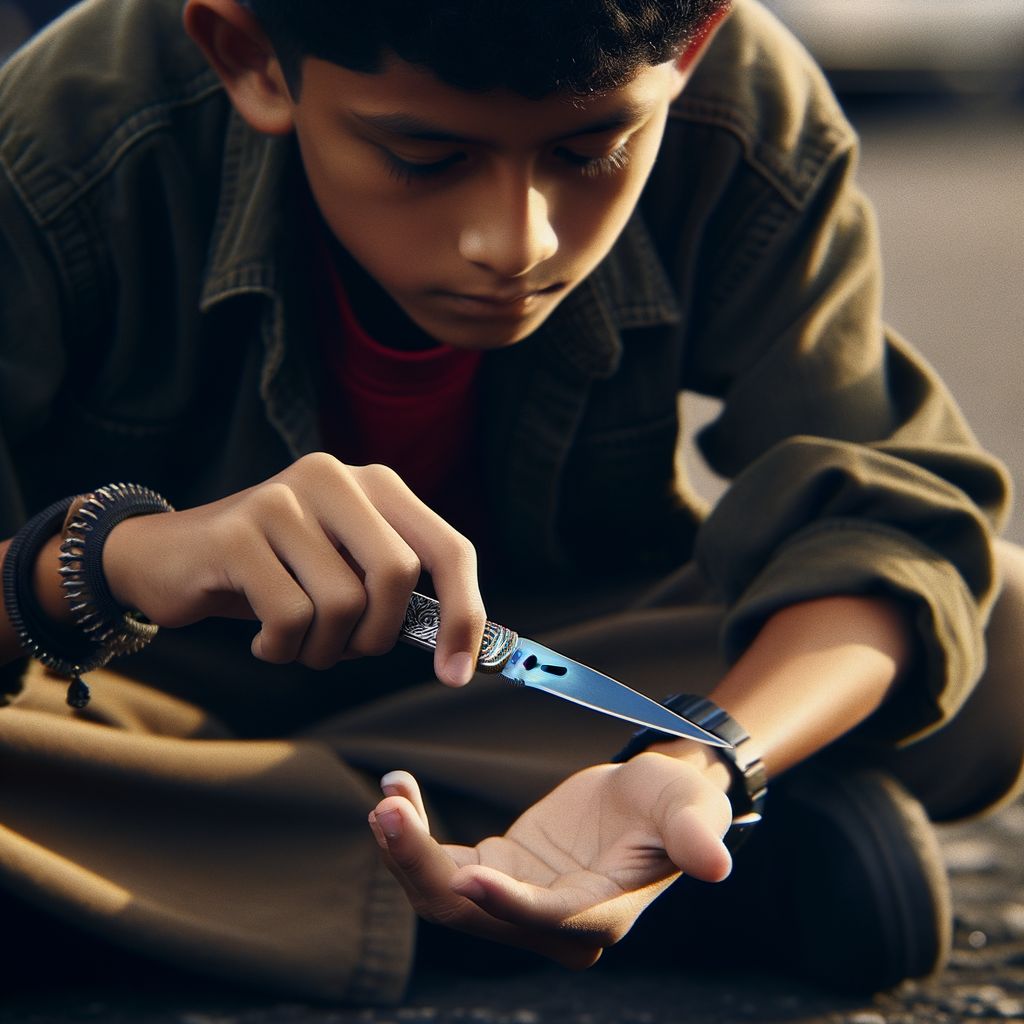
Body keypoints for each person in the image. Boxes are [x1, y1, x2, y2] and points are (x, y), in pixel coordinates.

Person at [0, 0, 1021, 1004]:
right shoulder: (68, 135)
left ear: (693, 51)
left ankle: (181, 885)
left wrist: (700, 761)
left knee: (994, 627)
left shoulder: (737, 98)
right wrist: (107, 561)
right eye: (424, 157)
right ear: (250, 58)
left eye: (591, 150)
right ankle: (620, 878)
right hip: (131, 695)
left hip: (532, 678)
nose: (514, 241)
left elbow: (886, 530)